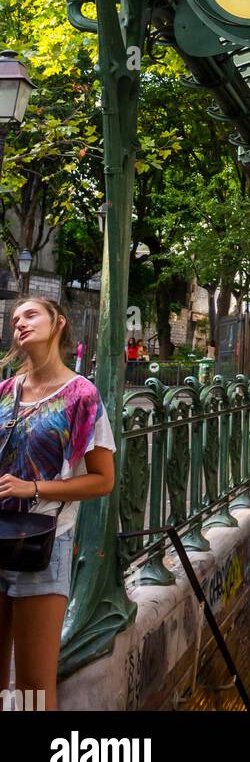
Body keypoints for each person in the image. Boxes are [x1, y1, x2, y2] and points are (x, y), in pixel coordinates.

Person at [0, 298, 116, 711]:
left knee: (32, 683)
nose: (20, 323)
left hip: (42, 543)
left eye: (31, 314)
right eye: (15, 319)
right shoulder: (4, 390)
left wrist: (32, 488)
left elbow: (103, 480)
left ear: (59, 323)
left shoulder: (81, 395)